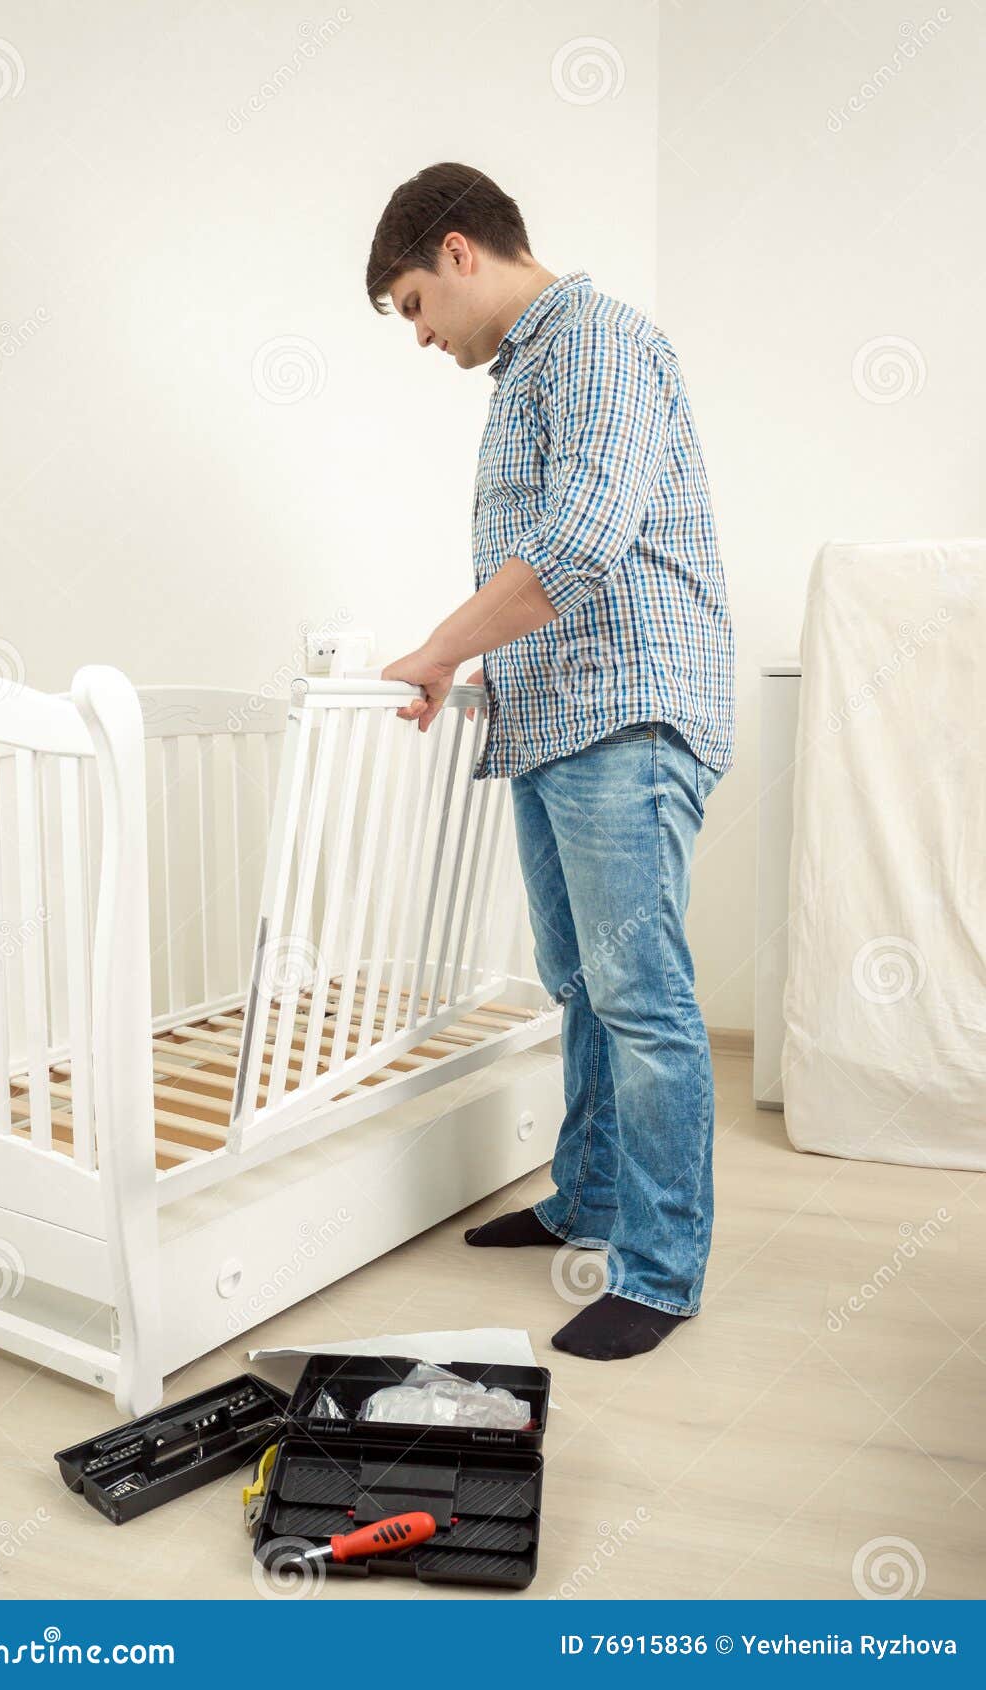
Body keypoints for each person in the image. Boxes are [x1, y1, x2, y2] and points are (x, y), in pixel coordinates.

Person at [368, 163, 735, 1360]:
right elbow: (564, 576)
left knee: (640, 997)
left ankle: (662, 1268)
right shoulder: (534, 369)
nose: (420, 337)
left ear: (460, 251)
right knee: (579, 983)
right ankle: (588, 1198)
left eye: (416, 304)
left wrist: (431, 650)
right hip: (563, 715)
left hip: (627, 717)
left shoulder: (598, 343)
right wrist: (483, 678)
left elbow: (579, 541)